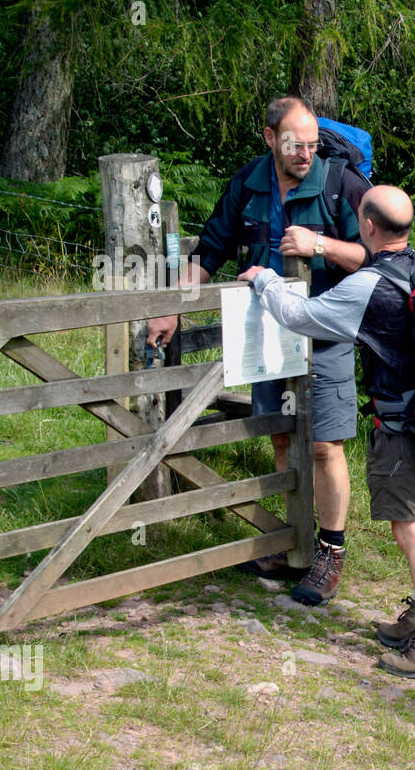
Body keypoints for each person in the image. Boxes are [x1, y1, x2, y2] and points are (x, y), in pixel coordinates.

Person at [147, 96, 370, 607]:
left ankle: (329, 553)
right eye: (295, 143)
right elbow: (211, 248)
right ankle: (287, 539)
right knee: (280, 437)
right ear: (269, 138)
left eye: (313, 144)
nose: (306, 153)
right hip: (267, 333)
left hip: (326, 331)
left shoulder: (341, 184)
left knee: (324, 443)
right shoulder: (249, 183)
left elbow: (376, 256)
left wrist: (321, 247)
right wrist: (173, 306)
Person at [240, 185, 415, 680]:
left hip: (404, 424)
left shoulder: (367, 285)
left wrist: (265, 281)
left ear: (367, 226)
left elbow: (300, 316)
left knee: (411, 526)